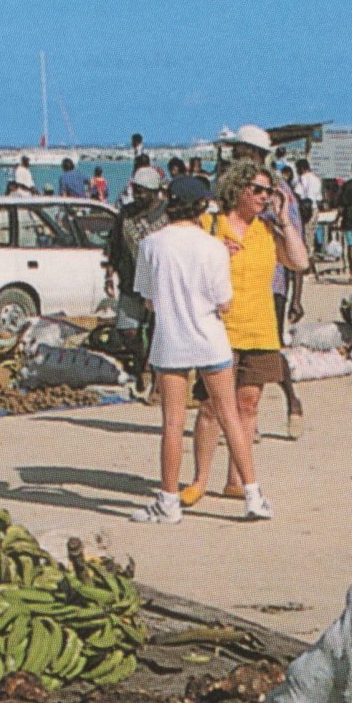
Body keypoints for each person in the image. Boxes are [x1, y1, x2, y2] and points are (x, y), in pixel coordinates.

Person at [132, 176, 261, 525]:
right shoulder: (213, 247)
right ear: (202, 206)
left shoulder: (151, 244)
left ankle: (169, 500)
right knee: (229, 415)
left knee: (172, 422)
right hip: (210, 338)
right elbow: (225, 302)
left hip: (171, 340)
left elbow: (146, 299)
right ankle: (253, 495)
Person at [185, 159, 304, 517]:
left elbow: (299, 262)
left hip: (260, 328)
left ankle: (236, 479)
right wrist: (216, 251)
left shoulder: (267, 230)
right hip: (219, 328)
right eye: (258, 190)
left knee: (248, 405)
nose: (264, 197)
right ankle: (200, 478)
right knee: (210, 406)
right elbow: (186, 266)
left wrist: (284, 218)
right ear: (237, 189)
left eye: (269, 191)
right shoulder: (210, 225)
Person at [104, 165, 168, 395]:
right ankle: (141, 361)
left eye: (144, 192)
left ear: (155, 192)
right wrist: (109, 272)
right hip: (131, 281)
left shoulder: (167, 214)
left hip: (161, 283)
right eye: (137, 190)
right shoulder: (126, 214)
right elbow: (115, 245)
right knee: (126, 329)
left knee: (157, 330)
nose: (139, 196)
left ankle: (155, 379)